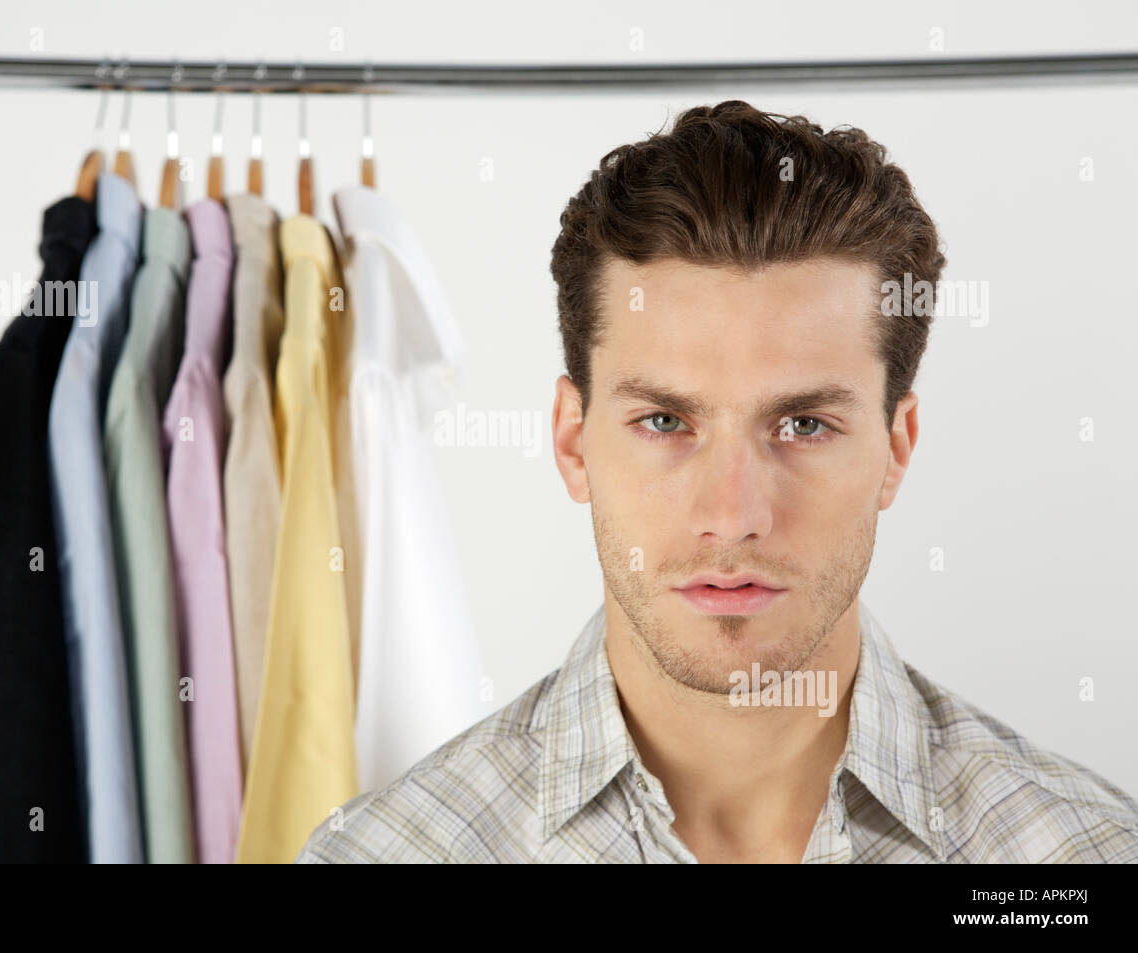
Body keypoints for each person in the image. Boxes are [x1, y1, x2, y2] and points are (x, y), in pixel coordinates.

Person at [296, 100, 1138, 863]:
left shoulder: (1077, 860)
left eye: (803, 424)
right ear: (572, 442)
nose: (732, 515)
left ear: (896, 447)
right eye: (665, 422)